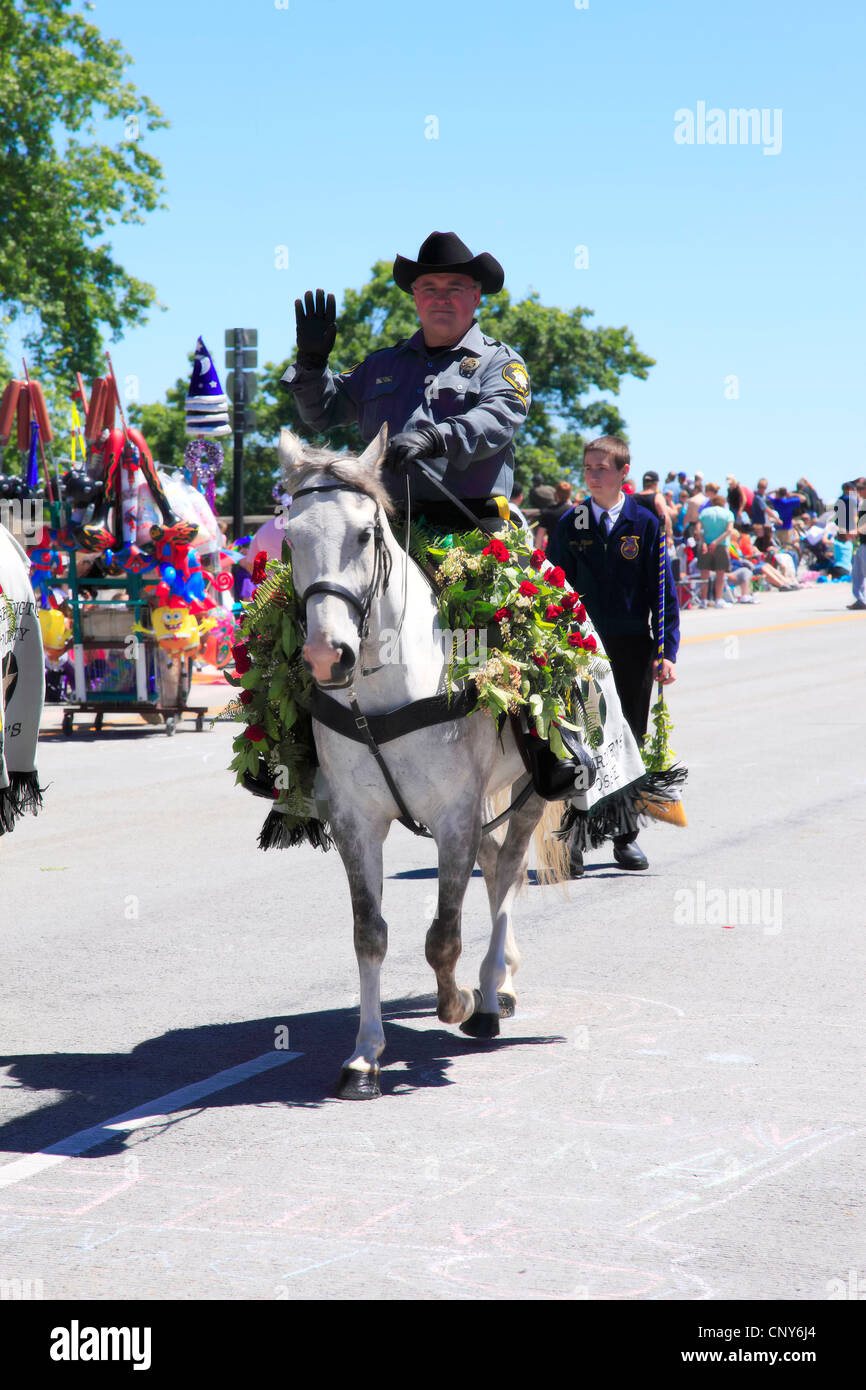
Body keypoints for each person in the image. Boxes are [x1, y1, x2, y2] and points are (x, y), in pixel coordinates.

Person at [280, 231, 531, 533]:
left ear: (476, 297)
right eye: (429, 288)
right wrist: (312, 364)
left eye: (454, 288)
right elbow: (322, 414)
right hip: (385, 530)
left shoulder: (500, 362)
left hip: (473, 530)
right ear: (415, 296)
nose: (441, 298)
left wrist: (436, 438)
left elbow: (497, 419)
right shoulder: (381, 364)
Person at [547, 435, 679, 874]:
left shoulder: (645, 523)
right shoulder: (571, 524)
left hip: (630, 648)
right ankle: (576, 842)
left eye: (601, 468)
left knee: (628, 741)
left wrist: (666, 651)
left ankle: (625, 839)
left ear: (624, 472)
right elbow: (554, 587)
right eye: (587, 468)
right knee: (578, 744)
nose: (592, 475)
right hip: (582, 649)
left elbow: (662, 594)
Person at [696, 492, 735, 606]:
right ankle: (718, 599)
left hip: (705, 546)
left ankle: (703, 600)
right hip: (721, 545)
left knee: (704, 573)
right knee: (720, 574)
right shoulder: (728, 514)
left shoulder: (704, 512)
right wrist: (716, 542)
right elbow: (729, 530)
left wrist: (703, 542)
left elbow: (698, 530)